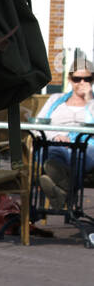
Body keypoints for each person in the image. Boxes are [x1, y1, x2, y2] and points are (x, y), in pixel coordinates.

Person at [36, 64, 94, 204]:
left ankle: (62, 193)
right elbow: (38, 125)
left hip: (86, 144)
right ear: (69, 79)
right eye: (77, 79)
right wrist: (55, 136)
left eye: (87, 79)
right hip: (55, 142)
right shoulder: (56, 99)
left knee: (80, 155)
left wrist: (89, 99)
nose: (82, 83)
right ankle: (66, 192)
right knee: (54, 151)